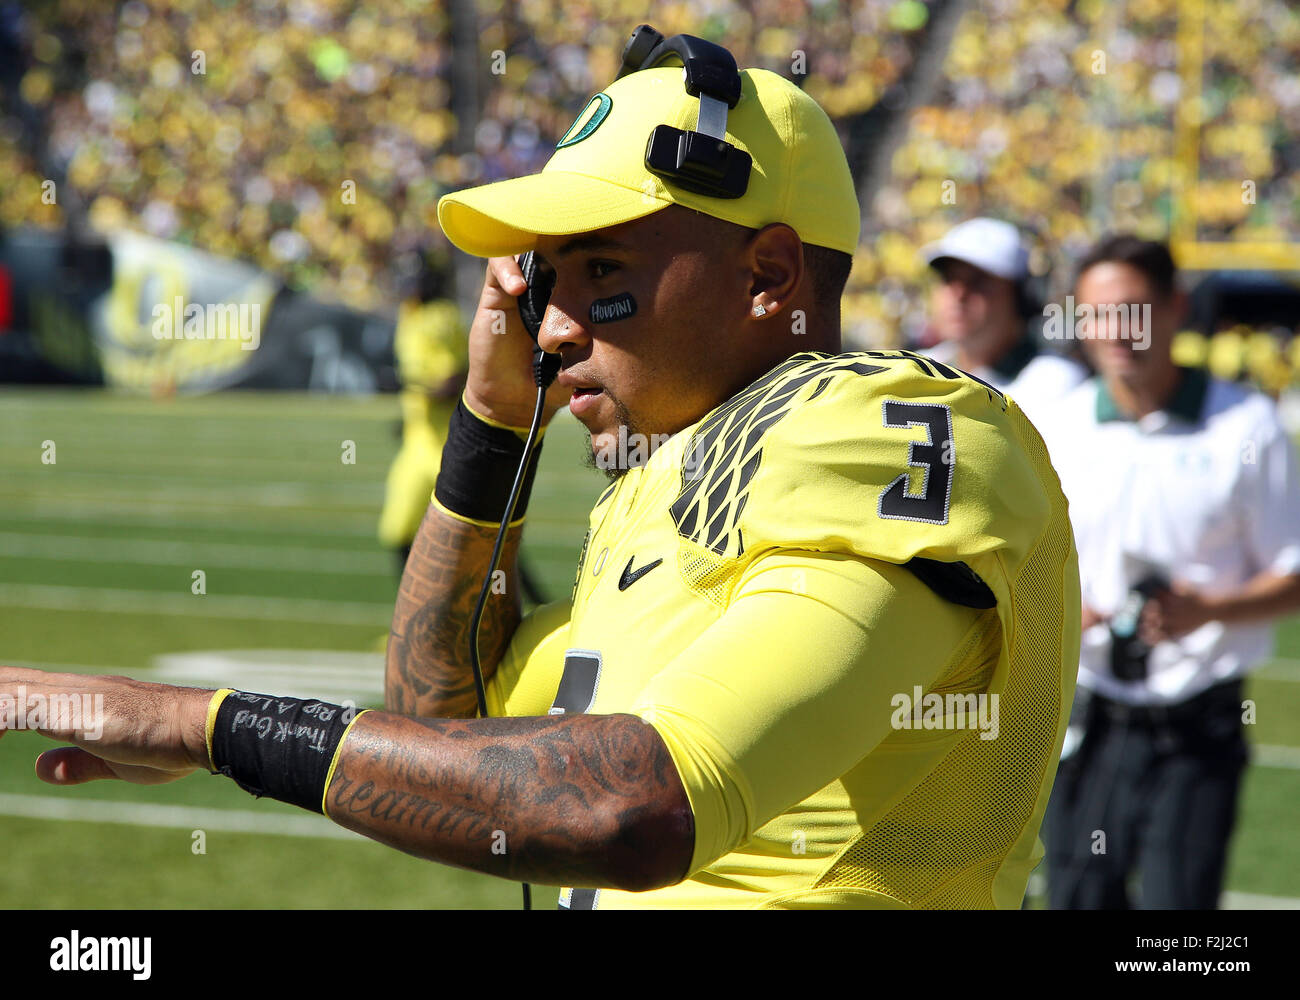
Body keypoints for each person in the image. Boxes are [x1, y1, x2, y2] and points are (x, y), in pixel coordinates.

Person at [0, 41, 1080, 909]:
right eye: (543, 282)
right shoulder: (665, 474)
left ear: (767, 274)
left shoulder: (881, 425)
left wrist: (205, 724)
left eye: (603, 270)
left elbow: (635, 808)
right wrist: (490, 426)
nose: (551, 327)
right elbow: (444, 711)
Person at [1035, 235, 1300, 909]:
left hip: (1196, 722)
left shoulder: (1246, 424)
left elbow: (1292, 574)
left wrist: (1206, 609)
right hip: (1087, 717)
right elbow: (1030, 567)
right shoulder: (1059, 427)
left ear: (1175, 309)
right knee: (1075, 898)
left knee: (1178, 927)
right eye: (1097, 313)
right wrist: (1067, 610)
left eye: (1134, 310)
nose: (1116, 331)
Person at [920, 217, 1085, 423]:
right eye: (948, 279)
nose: (958, 294)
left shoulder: (1058, 383)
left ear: (1021, 297)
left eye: (978, 281)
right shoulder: (917, 369)